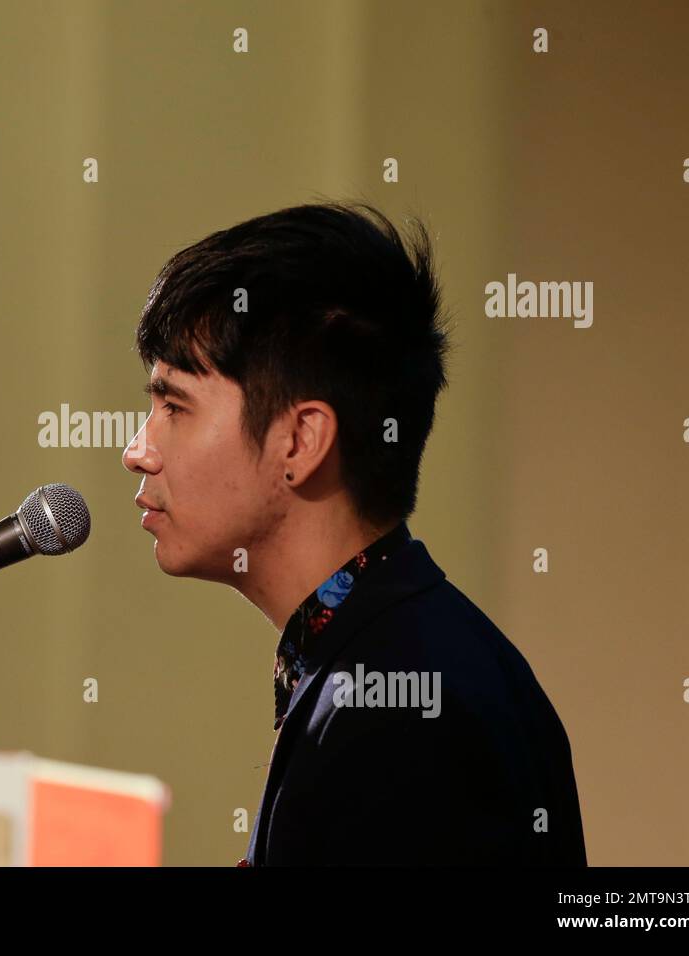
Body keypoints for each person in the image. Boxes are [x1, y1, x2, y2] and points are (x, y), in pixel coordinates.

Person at [122, 200, 586, 865]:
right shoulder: (389, 656)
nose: (137, 450)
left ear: (301, 440)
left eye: (173, 406)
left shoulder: (402, 712)